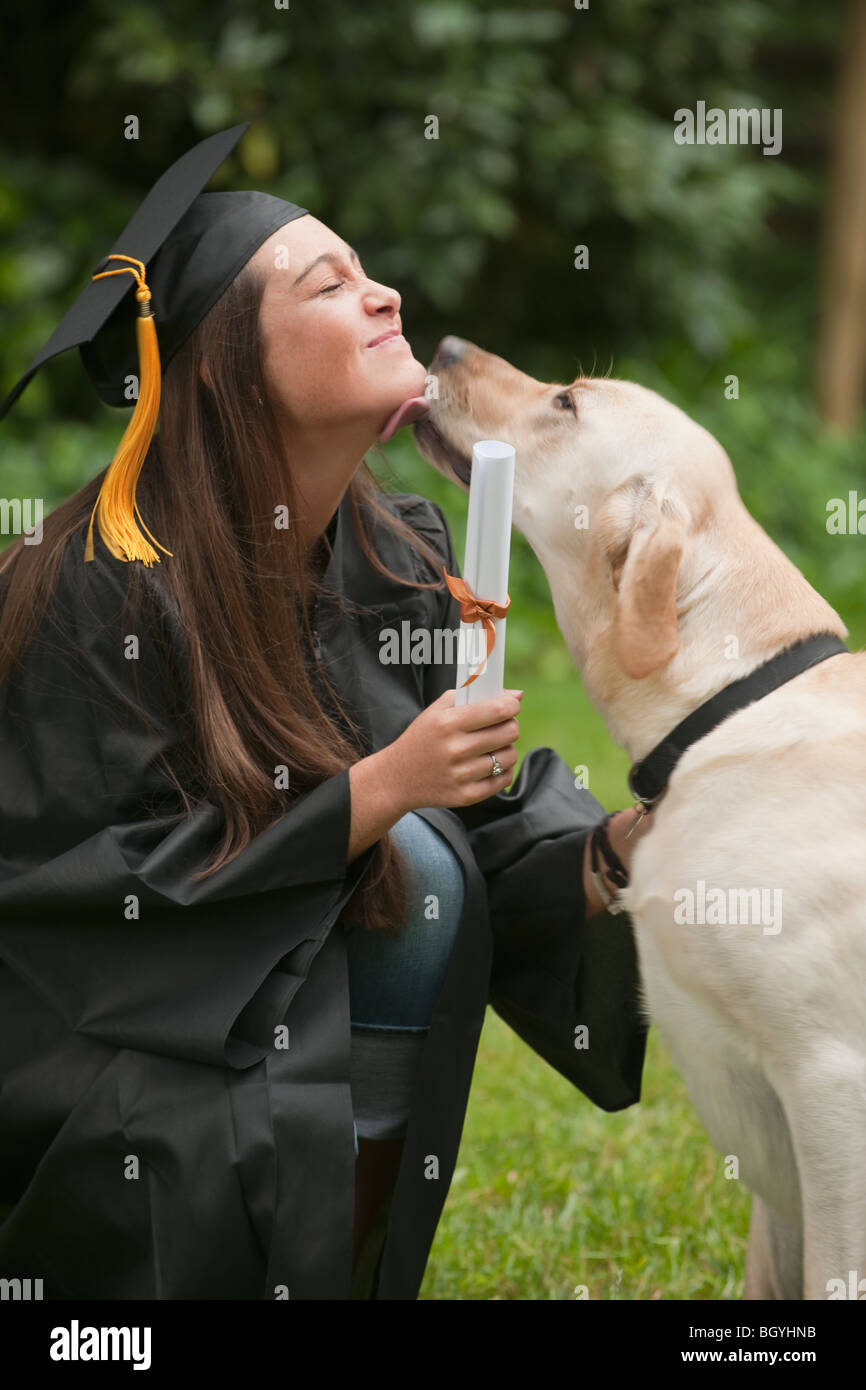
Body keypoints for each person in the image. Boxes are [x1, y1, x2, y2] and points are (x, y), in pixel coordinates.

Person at [0, 123, 652, 1301]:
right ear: (225, 364)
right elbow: (86, 892)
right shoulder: (100, 581)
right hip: (124, 1058)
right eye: (328, 283)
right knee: (399, 852)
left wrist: (614, 854)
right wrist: (373, 791)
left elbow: (481, 822)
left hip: (298, 1014)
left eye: (367, 269)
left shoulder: (404, 551)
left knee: (424, 868)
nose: (382, 292)